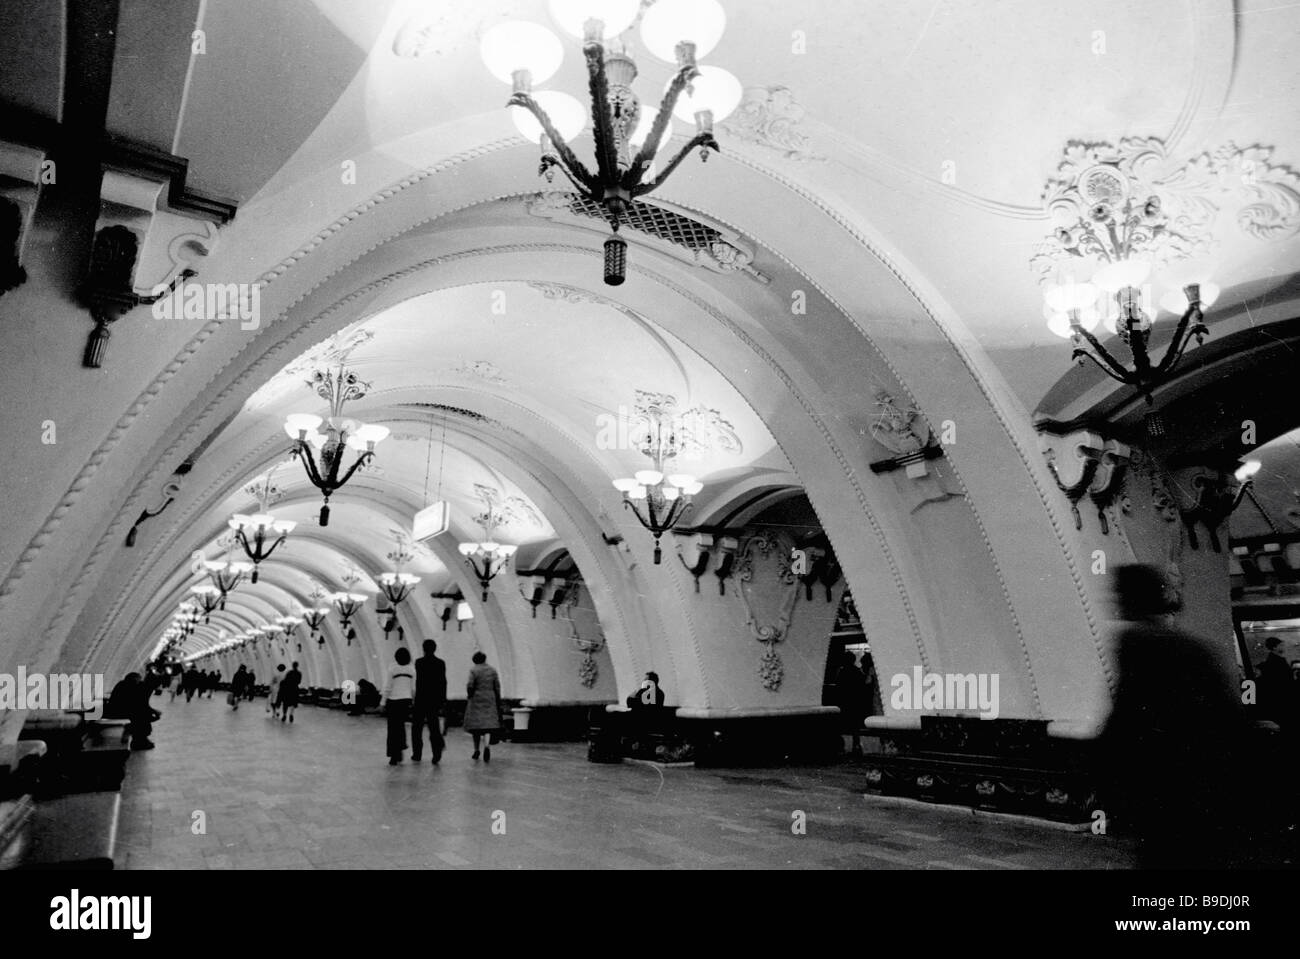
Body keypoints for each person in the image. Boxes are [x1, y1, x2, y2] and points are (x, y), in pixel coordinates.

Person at [1097, 563, 1257, 869]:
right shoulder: (1193, 646)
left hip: (1170, 795)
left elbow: (1125, 723)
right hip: (1206, 790)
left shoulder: (1137, 644)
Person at [105, 673, 162, 750]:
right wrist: (154, 712)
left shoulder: (124, 684)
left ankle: (139, 738)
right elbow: (142, 705)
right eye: (138, 679)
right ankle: (139, 740)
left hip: (114, 709)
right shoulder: (142, 688)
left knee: (141, 715)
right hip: (118, 711)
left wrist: (153, 711)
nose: (139, 681)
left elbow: (139, 704)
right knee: (141, 716)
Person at [411, 640, 447, 764]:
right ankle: (436, 752)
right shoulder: (440, 663)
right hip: (434, 700)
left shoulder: (419, 662)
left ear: (423, 649)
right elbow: (443, 682)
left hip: (421, 699)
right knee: (434, 727)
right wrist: (442, 700)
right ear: (435, 648)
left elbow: (418, 682)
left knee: (417, 728)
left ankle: (417, 753)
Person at [464, 651, 503, 762]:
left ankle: (476, 750)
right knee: (488, 726)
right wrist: (497, 699)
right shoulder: (492, 670)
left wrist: (470, 695)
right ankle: (486, 746)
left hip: (476, 699)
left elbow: (470, 685)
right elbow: (497, 686)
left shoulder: (474, 670)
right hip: (490, 699)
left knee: (476, 727)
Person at [381, 648, 416, 764]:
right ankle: (400, 748)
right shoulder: (412, 669)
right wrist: (413, 700)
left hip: (393, 701)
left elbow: (387, 687)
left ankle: (394, 755)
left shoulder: (392, 668)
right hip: (406, 700)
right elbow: (413, 688)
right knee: (401, 726)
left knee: (392, 729)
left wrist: (382, 702)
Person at [833, 651, 870, 756]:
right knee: (855, 726)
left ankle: (841, 745)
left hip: (844, 701)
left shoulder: (841, 672)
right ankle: (856, 744)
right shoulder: (857, 671)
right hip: (855, 702)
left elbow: (838, 687)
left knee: (841, 724)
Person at [1256, 636, 1296, 730]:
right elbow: (1284, 683)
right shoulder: (1276, 662)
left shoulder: (1272, 661)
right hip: (1283, 700)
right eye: (1281, 645)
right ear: (1274, 647)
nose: (1283, 647)